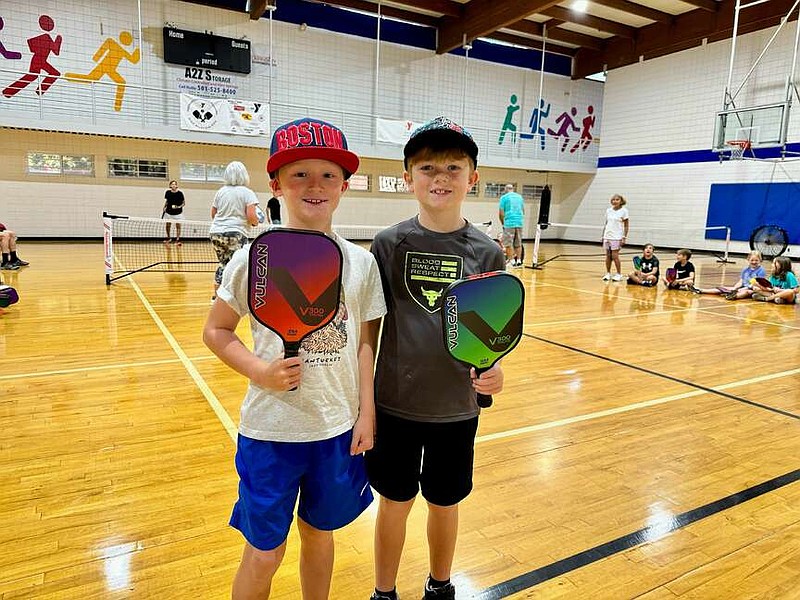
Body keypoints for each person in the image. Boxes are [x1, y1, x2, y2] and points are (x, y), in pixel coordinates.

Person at [203, 117, 387, 599]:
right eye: (299, 174)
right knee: (264, 552)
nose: (314, 186)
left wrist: (367, 412)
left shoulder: (362, 263)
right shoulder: (252, 258)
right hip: (271, 432)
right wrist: (259, 370)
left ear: (344, 186)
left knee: (318, 534)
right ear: (275, 184)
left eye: (328, 175)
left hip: (336, 430)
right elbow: (216, 331)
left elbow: (366, 343)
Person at [366, 116, 506, 600]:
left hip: (456, 409)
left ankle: (440, 586)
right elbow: (370, 331)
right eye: (427, 167)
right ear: (408, 178)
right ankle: (384, 591)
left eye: (453, 166)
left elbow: (490, 331)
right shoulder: (387, 245)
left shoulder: (488, 253)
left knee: (445, 503)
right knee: (394, 502)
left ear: (473, 178)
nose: (440, 177)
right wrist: (365, 404)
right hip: (395, 405)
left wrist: (494, 371)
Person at [209, 161, 259, 302]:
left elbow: (213, 213)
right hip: (236, 233)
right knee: (237, 266)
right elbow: (251, 217)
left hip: (216, 233)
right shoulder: (247, 193)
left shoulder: (221, 192)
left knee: (223, 263)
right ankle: (235, 297)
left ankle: (217, 296)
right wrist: (255, 222)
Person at [692, 250, 765, 299]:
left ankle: (734, 296)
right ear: (748, 260)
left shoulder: (761, 270)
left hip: (752, 289)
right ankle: (701, 290)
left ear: (760, 261)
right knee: (725, 288)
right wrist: (735, 287)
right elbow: (741, 281)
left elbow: (757, 284)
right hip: (742, 287)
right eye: (752, 260)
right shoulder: (745, 269)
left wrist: (743, 289)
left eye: (756, 260)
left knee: (746, 292)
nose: (754, 262)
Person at [601, 194, 629, 281]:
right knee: (608, 255)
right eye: (613, 199)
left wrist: (624, 237)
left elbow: (626, 225)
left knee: (615, 256)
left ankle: (618, 274)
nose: (615, 201)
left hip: (617, 237)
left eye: (617, 199)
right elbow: (606, 223)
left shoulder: (624, 211)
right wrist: (603, 235)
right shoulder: (608, 210)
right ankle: (608, 273)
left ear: (621, 201)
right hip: (607, 236)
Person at [498, 183, 525, 267]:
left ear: (506, 190)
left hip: (509, 223)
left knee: (508, 243)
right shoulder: (520, 197)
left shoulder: (504, 198)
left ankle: (512, 261)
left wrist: (503, 223)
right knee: (518, 243)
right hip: (519, 222)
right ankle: (519, 261)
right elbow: (523, 211)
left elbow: (501, 213)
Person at [162, 180, 185, 245]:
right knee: (168, 225)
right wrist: (164, 207)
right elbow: (167, 201)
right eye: (172, 184)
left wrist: (178, 207)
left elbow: (183, 203)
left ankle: (178, 240)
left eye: (175, 184)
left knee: (178, 226)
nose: (174, 185)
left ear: (177, 186)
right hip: (168, 212)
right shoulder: (168, 192)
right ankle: (169, 238)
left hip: (178, 213)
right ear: (170, 186)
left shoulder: (180, 193)